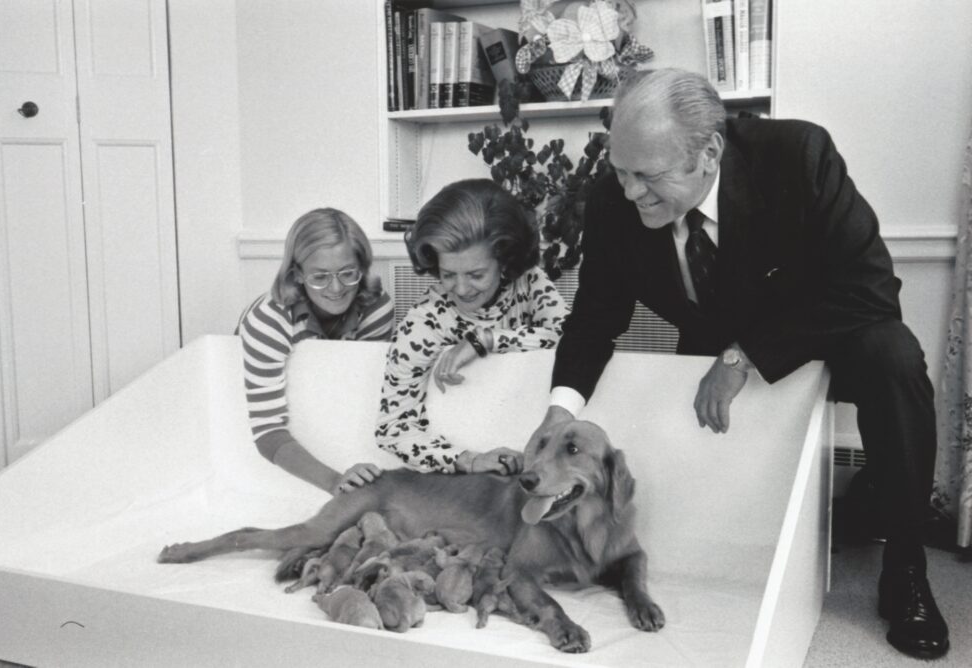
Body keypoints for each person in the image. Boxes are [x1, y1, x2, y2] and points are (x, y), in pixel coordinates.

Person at [529, 68, 949, 659]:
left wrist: (743, 356)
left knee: (896, 356)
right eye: (620, 172)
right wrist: (559, 410)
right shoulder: (610, 200)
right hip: (710, 335)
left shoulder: (800, 156)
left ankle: (905, 567)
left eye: (647, 176)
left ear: (709, 153)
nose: (630, 192)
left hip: (824, 326)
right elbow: (596, 315)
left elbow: (872, 288)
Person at [376, 178, 568, 474]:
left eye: (476, 275)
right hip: (468, 472)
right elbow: (393, 429)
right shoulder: (423, 322)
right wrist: (469, 460)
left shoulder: (530, 283)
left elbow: (569, 337)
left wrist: (485, 340)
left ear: (504, 261)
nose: (462, 289)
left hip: (542, 458)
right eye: (448, 274)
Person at [237, 208, 394, 494]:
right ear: (297, 274)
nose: (336, 288)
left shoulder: (377, 307)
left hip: (324, 430)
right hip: (263, 447)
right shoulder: (267, 320)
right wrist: (335, 482)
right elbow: (266, 430)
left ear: (362, 267)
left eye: (348, 273)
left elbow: (362, 394)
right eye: (320, 277)